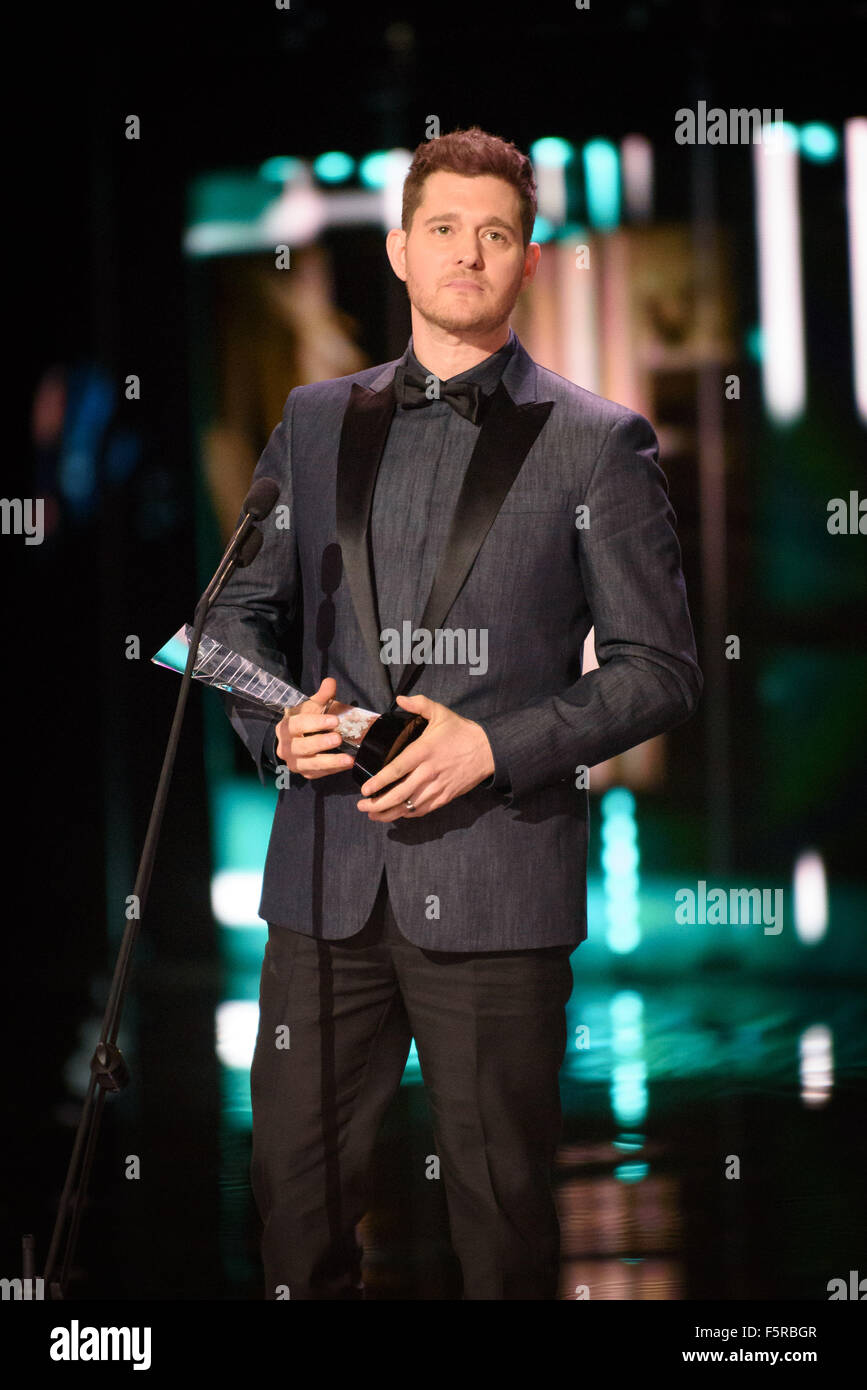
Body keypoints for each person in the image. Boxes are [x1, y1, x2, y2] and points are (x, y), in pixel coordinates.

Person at [205, 125, 702, 1300]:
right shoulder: (315, 420)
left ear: (528, 258)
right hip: (325, 884)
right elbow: (231, 620)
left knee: (503, 1226)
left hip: (497, 888)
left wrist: (496, 745)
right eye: (443, 229)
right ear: (399, 250)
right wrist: (277, 724)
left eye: (495, 234)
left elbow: (661, 666)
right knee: (295, 1210)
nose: (467, 253)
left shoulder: (599, 443)